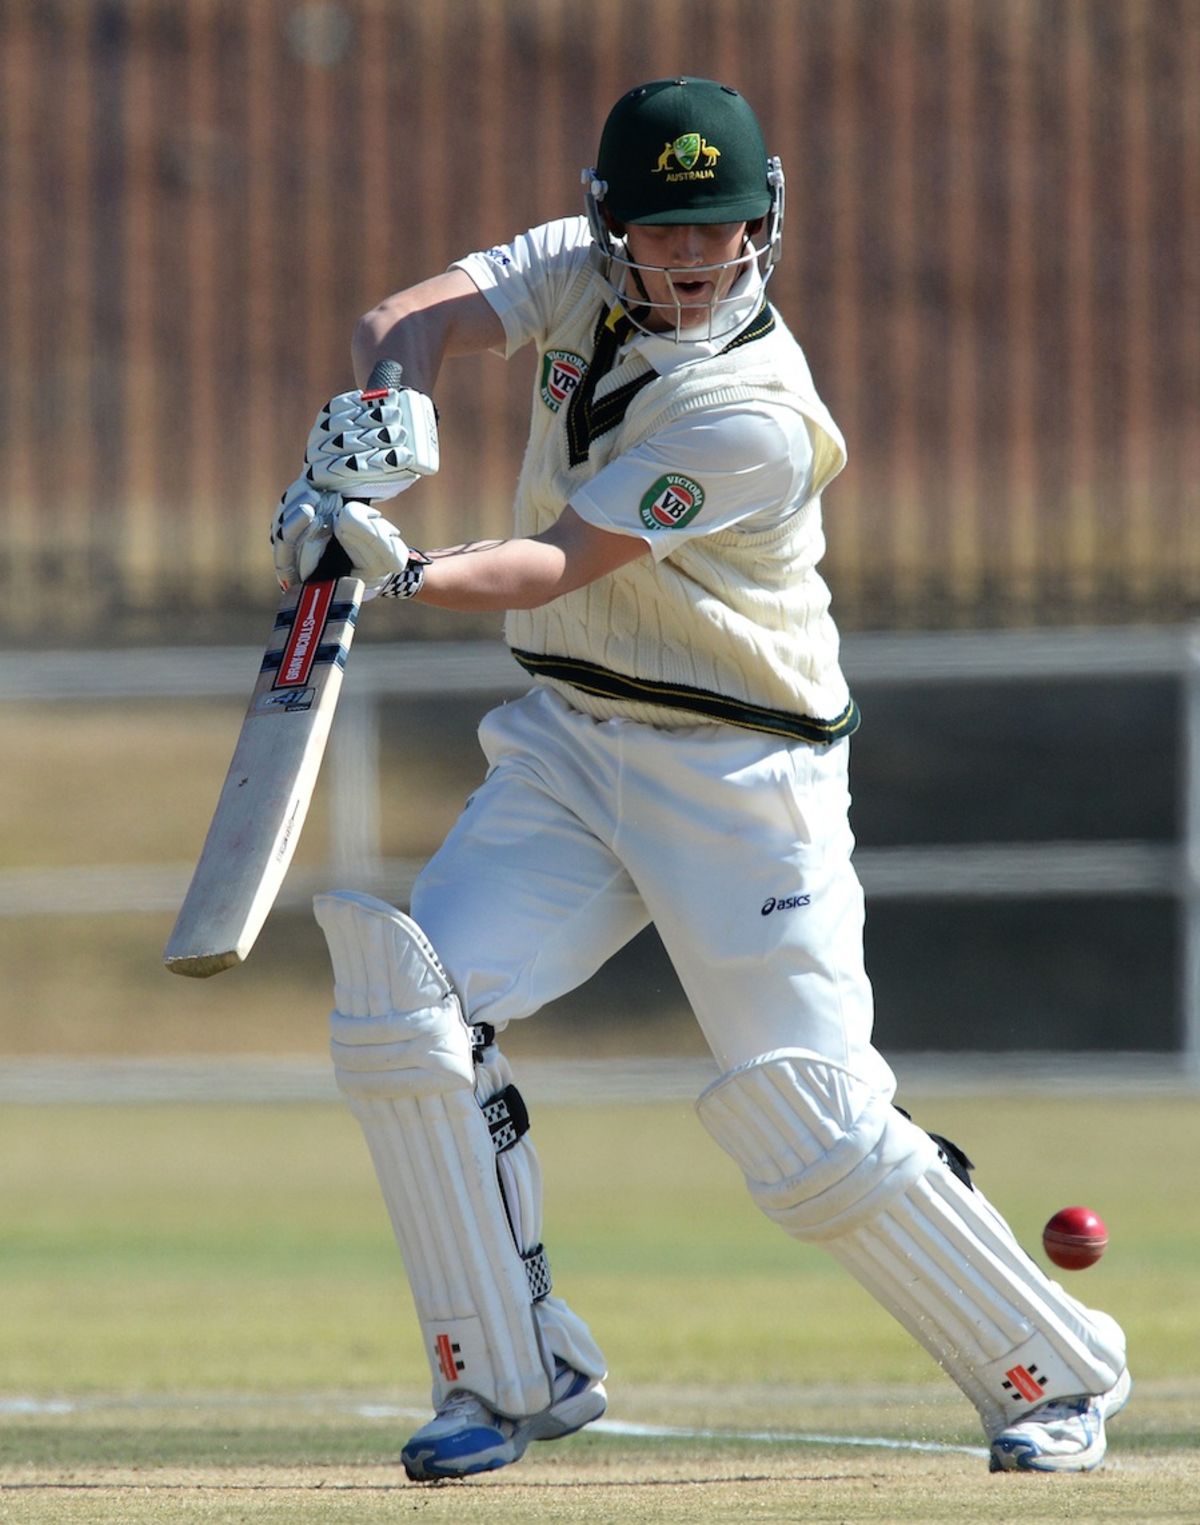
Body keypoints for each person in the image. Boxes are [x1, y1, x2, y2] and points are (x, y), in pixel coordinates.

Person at [270, 76, 1130, 1482]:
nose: (695, 260)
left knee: (814, 1121)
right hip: (571, 741)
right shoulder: (570, 267)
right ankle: (505, 1373)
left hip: (743, 770)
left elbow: (554, 561)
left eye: (722, 231)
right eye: (668, 233)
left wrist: (393, 566)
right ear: (612, 224)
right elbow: (404, 322)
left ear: (762, 222)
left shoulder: (756, 416)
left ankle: (1055, 1369)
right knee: (405, 1013)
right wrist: (387, 426)